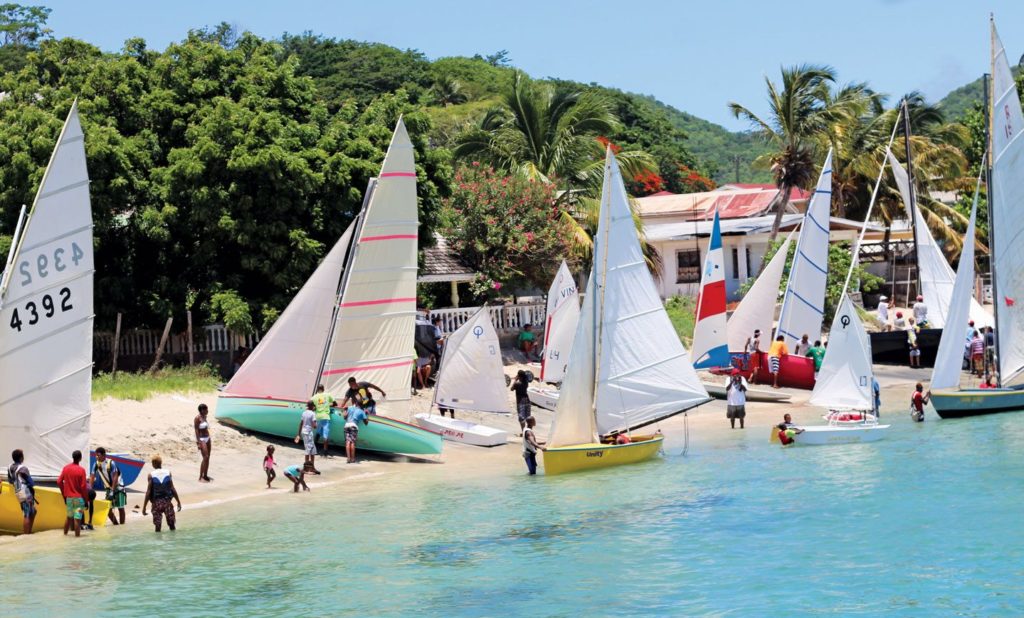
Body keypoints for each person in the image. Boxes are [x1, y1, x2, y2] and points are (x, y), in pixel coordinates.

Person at [142, 455, 181, 532]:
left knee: (157, 527)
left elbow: (148, 491)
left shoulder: (151, 475)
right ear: (161, 463)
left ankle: (158, 542)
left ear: (154, 463)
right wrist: (178, 502)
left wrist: (144, 507)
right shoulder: (168, 472)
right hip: (167, 502)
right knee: (172, 525)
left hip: (156, 503)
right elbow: (172, 488)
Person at [89, 447, 126, 526]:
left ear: (104, 455)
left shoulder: (111, 463)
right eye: (96, 455)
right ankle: (116, 525)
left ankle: (122, 527)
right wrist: (90, 489)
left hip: (118, 487)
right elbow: (92, 476)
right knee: (108, 510)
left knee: (120, 508)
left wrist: (113, 490)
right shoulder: (96, 464)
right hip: (108, 488)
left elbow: (115, 476)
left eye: (98, 455)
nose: (97, 457)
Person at [57, 450, 88, 537]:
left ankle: (65, 535)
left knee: (69, 517)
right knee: (77, 519)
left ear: (73, 457)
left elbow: (59, 481)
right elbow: (83, 487)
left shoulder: (66, 468)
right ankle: (77, 539)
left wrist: (64, 493)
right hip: (79, 498)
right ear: (80, 458)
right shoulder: (81, 470)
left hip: (69, 498)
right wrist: (86, 500)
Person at [5, 449, 36, 534]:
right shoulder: (23, 468)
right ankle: (26, 535)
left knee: (33, 511)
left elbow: (10, 481)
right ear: (21, 458)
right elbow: (31, 483)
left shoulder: (10, 467)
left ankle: (29, 532)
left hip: (18, 493)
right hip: (26, 493)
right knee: (27, 514)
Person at [295, 401, 319, 474]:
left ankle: (311, 467)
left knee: (309, 450)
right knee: (311, 451)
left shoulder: (304, 412)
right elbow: (314, 426)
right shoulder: (313, 413)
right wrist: (316, 424)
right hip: (308, 433)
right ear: (312, 406)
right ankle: (308, 468)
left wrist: (298, 434)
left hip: (303, 432)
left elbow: (301, 423)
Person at [312, 384, 336, 457]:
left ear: (317, 389)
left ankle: (313, 449)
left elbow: (311, 406)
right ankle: (325, 452)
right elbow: (335, 403)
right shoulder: (328, 395)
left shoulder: (314, 397)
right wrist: (328, 405)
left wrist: (316, 407)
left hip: (318, 417)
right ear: (323, 388)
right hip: (325, 417)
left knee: (318, 433)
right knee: (326, 436)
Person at [194, 403, 212, 482]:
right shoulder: (197, 418)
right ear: (202, 410)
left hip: (208, 438)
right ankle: (200, 476)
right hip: (201, 439)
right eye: (206, 409)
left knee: (208, 458)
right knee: (205, 457)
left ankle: (205, 475)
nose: (207, 411)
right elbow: (196, 430)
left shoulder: (205, 417)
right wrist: (198, 442)